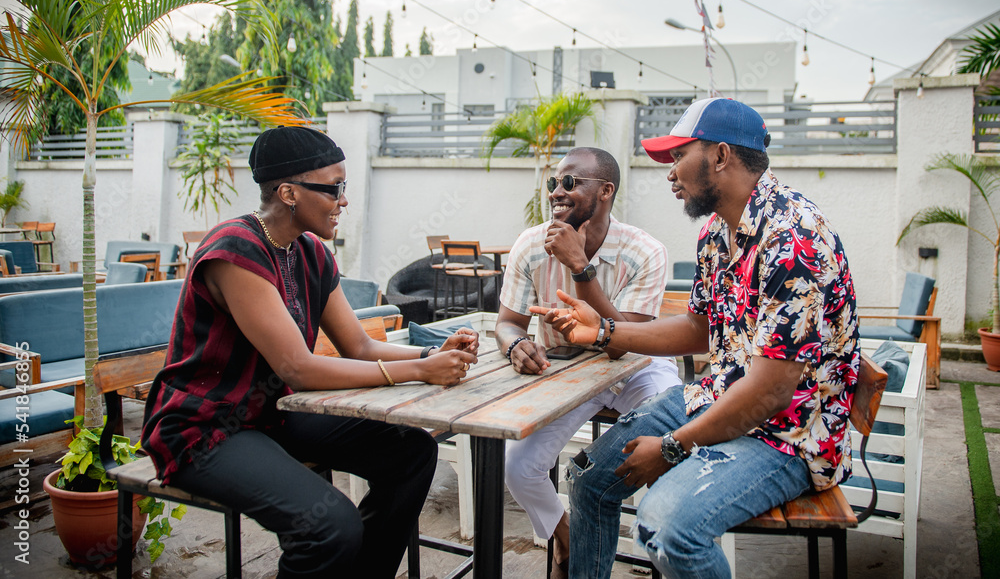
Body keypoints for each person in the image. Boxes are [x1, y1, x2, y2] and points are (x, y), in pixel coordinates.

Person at [532, 98, 861, 579]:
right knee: (587, 477)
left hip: (787, 435)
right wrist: (604, 331)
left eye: (678, 156)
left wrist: (671, 446)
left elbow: (771, 392)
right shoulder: (718, 231)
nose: (669, 173)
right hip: (719, 396)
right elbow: (697, 328)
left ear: (721, 156)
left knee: (667, 528)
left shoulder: (793, 240)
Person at [142, 126, 479, 579]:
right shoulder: (235, 250)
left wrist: (432, 355)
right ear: (288, 193)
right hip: (206, 428)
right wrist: (421, 372)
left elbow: (358, 345)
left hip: (273, 413)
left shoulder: (311, 253)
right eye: (334, 188)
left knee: (411, 451)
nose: (344, 201)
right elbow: (296, 368)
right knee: (328, 527)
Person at [495, 146, 680, 575]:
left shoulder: (644, 251)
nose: (556, 192)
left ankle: (666, 550)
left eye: (570, 182)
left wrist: (580, 267)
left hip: (638, 367)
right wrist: (515, 344)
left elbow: (622, 345)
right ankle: (566, 536)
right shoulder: (531, 245)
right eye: (553, 183)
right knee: (518, 466)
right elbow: (506, 323)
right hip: (566, 371)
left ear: (605, 191)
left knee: (671, 439)